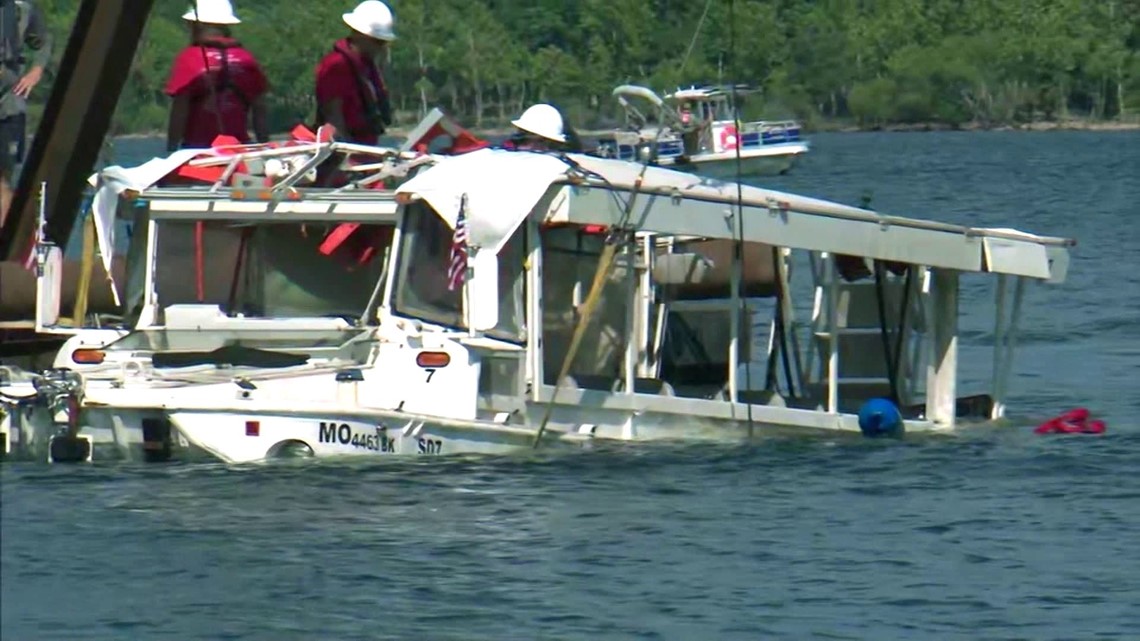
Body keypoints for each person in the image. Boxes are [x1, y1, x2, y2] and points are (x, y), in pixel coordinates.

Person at [164, 0, 269, 152]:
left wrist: (171, 151)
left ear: (197, 25)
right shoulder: (247, 59)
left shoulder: (189, 57)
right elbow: (260, 110)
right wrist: (264, 149)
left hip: (198, 153)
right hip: (240, 153)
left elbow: (180, 109)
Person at [314, 0, 395, 145]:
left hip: (367, 146)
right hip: (349, 151)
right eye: (378, 41)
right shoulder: (336, 66)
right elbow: (333, 117)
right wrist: (345, 152)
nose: (381, 47)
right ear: (359, 35)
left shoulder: (366, 67)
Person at [0, 0, 51, 226]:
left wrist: (37, 70)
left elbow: (43, 40)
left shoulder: (22, 8)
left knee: (4, 179)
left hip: (9, 103)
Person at [503, 103, 583, 153]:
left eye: (541, 142)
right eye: (523, 140)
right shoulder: (507, 154)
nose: (531, 147)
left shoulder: (561, 165)